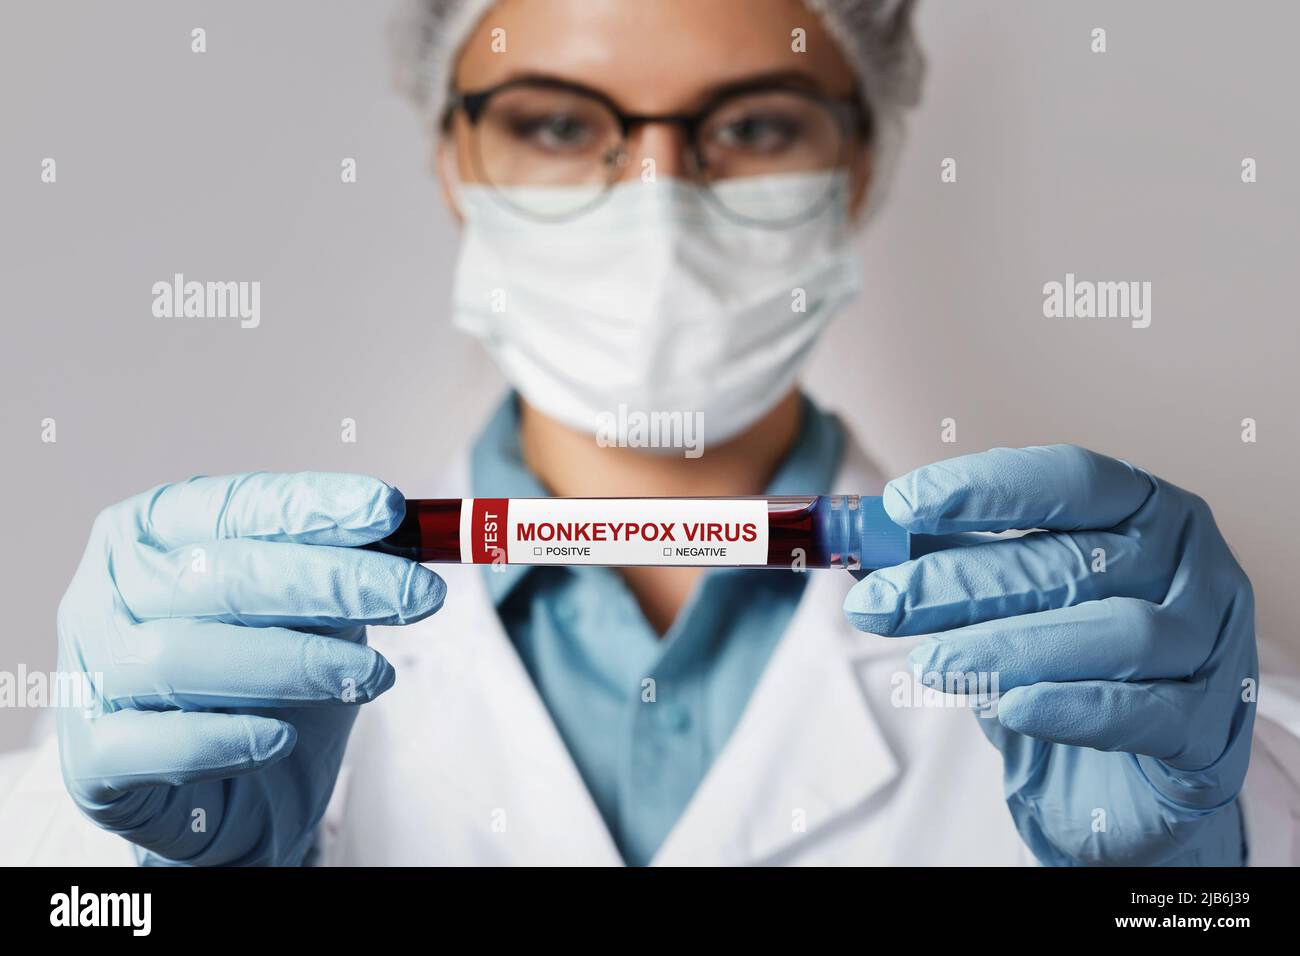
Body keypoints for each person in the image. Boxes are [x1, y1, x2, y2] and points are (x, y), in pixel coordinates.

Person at [4, 0, 1298, 867]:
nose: (657, 199)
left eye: (752, 125)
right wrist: (124, 881)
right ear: (453, 159)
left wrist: (1191, 888)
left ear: (860, 162)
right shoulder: (200, 685)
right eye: (560, 122)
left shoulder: (1149, 703)